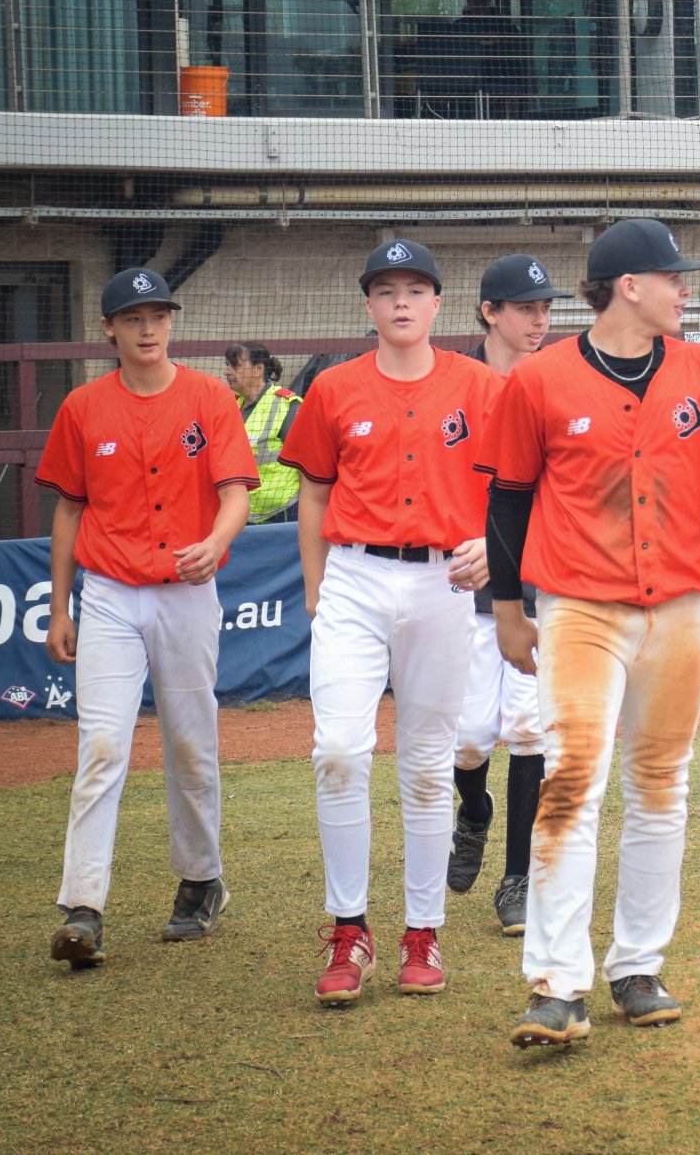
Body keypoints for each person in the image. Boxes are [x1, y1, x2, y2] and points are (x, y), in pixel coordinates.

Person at [480, 218, 700, 1048]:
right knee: (574, 781)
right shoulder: (540, 380)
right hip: (581, 607)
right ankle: (555, 982)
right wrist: (508, 607)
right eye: (674, 278)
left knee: (661, 785)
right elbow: (507, 499)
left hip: (679, 605)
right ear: (628, 286)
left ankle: (636, 965)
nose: (686, 290)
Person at [280, 238, 503, 1005]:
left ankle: (422, 932)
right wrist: (317, 587)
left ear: (438, 303)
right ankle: (349, 929)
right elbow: (312, 490)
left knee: (427, 763)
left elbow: (523, 484)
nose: (401, 301)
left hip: (444, 578)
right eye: (386, 289)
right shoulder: (335, 388)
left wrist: (495, 547)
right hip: (354, 575)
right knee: (340, 747)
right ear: (369, 304)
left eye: (415, 288)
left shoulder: (479, 384)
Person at [38, 269, 257, 968]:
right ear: (108, 328)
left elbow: (235, 493)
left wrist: (218, 541)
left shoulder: (208, 396)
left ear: (170, 321)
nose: (147, 327)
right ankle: (83, 906)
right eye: (132, 316)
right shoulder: (81, 406)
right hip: (107, 592)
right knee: (102, 745)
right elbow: (68, 508)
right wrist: (59, 606)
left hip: (187, 591)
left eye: (158, 313)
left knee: (192, 743)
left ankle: (200, 880)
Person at [447, 255, 572, 935]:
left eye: (546, 308)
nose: (540, 320)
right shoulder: (451, 384)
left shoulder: (555, 383)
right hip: (460, 582)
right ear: (490, 311)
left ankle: (517, 877)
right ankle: (473, 810)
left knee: (529, 730)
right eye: (526, 307)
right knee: (468, 738)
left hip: (536, 576)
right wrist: (464, 540)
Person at [223, 341, 303, 523]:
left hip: (283, 511)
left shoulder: (286, 405)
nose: (227, 371)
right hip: (243, 511)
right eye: (227, 365)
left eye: (234, 365)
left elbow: (306, 465)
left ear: (258, 369)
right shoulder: (231, 406)